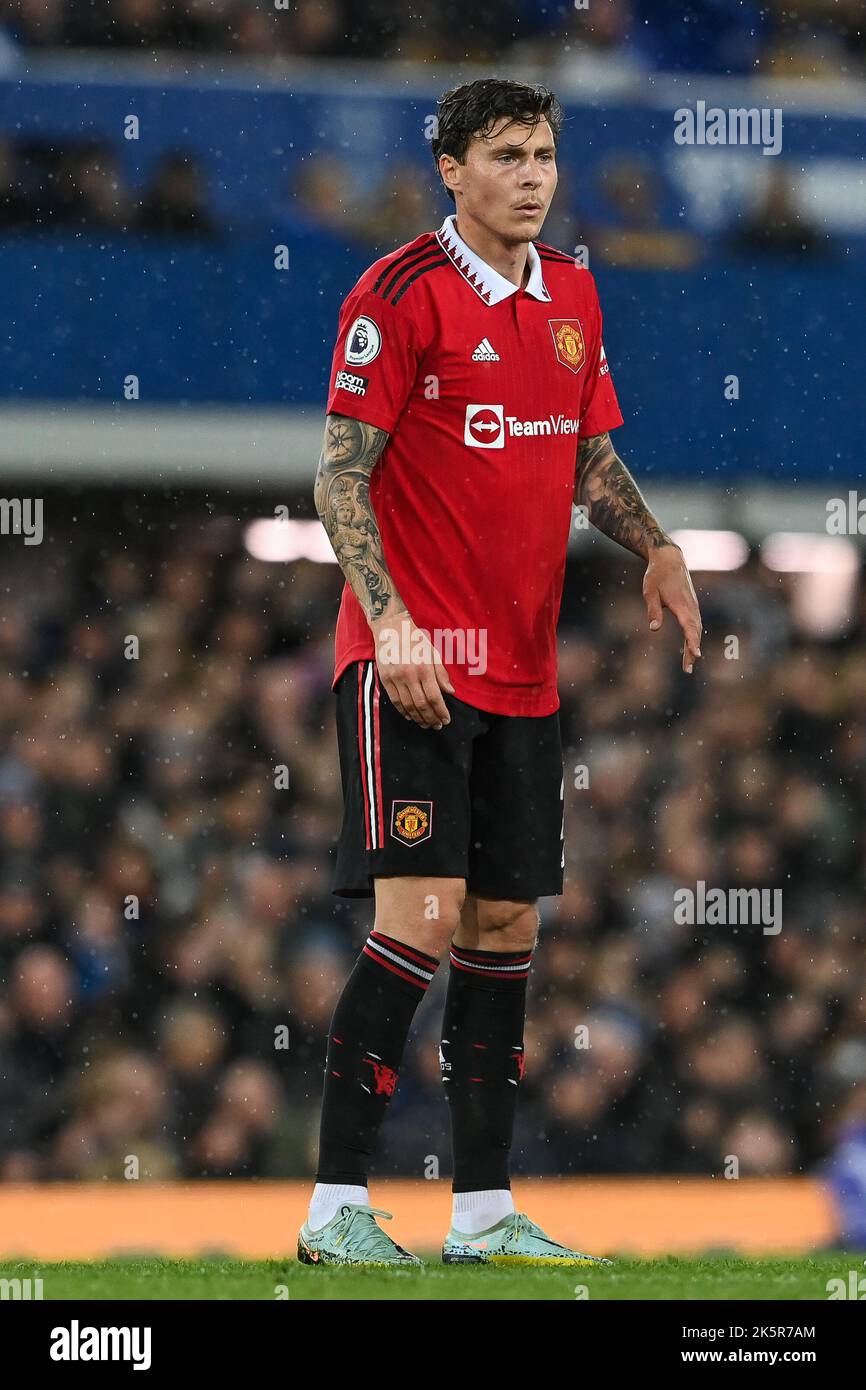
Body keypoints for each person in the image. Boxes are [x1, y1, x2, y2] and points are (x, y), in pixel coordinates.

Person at [303, 76, 702, 1267]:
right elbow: (338, 474)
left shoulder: (573, 295)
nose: (532, 175)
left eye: (542, 154)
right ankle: (333, 1209)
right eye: (505, 155)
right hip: (409, 665)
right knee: (418, 918)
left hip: (522, 678)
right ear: (449, 168)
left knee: (502, 926)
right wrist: (394, 623)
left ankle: (479, 1214)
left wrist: (660, 544)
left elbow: (588, 458)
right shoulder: (395, 295)